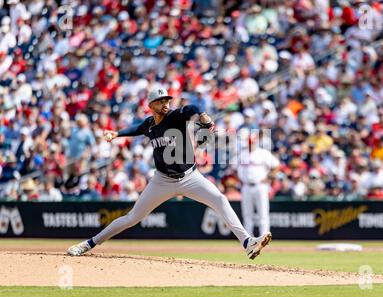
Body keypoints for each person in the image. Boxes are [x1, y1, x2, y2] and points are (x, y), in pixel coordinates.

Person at [67, 88, 272, 259]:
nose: (165, 103)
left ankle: (247, 242)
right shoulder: (149, 124)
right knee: (132, 218)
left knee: (220, 199)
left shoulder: (175, 116)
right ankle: (89, 243)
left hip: (190, 177)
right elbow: (137, 129)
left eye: (167, 99)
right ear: (151, 105)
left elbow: (190, 108)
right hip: (162, 181)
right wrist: (117, 134)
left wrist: (201, 115)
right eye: (160, 101)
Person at [235, 133, 280, 237]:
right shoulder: (242, 154)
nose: (251, 144)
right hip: (246, 186)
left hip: (260, 186)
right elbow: (235, 169)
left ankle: (265, 237)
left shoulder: (263, 153)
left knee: (263, 213)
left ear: (256, 142)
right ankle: (247, 238)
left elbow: (276, 165)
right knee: (247, 214)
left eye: (253, 142)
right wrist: (240, 179)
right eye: (250, 142)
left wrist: (269, 177)